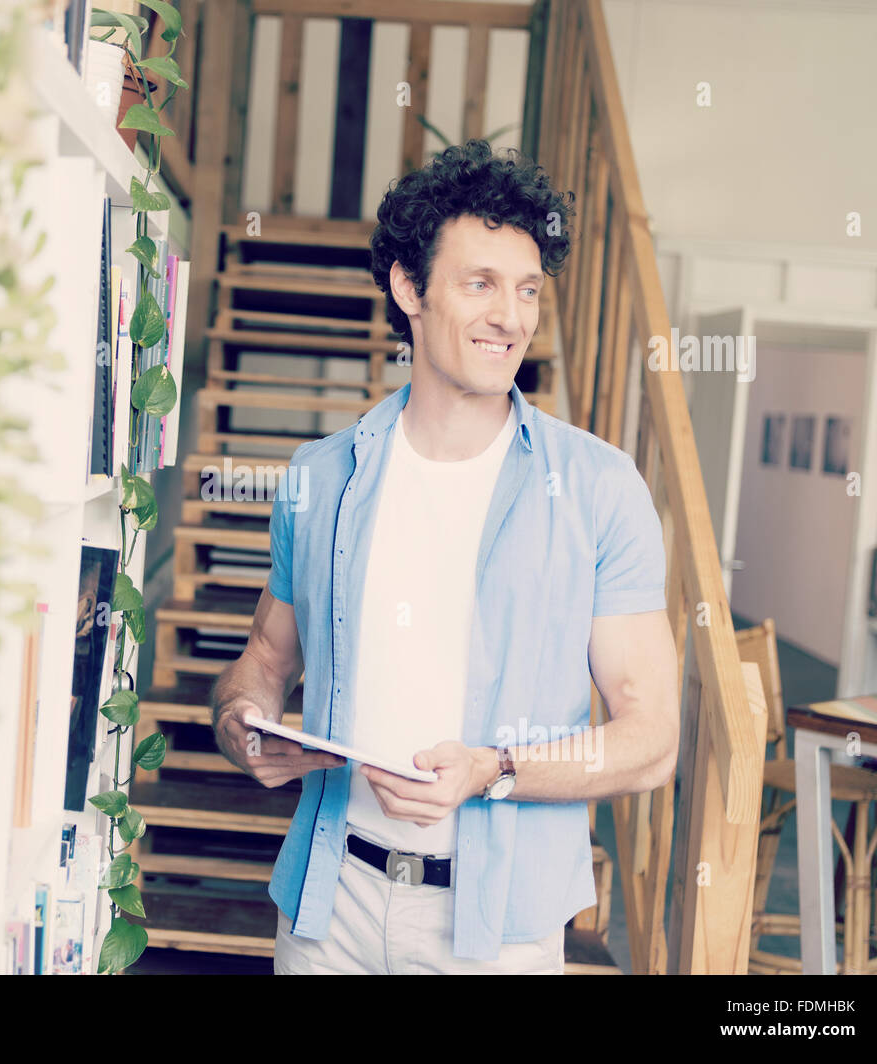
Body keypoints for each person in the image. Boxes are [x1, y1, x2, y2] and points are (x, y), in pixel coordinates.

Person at [210, 139, 680, 975]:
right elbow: (261, 664)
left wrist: (494, 770)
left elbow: (651, 740)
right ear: (407, 288)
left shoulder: (600, 489)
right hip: (329, 913)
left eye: (528, 288)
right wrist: (243, 729)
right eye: (481, 284)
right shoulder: (321, 478)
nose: (512, 316)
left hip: (496, 935)